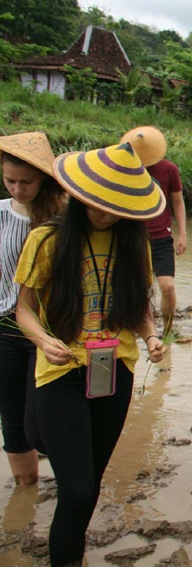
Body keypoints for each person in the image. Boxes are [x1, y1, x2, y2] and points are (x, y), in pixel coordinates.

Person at [15, 142, 167, 566]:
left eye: (118, 208)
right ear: (80, 196)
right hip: (61, 367)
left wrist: (152, 336)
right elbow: (23, 309)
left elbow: (138, 308)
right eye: (99, 206)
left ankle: (71, 553)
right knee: (78, 489)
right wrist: (44, 341)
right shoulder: (46, 239)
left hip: (113, 369)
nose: (107, 214)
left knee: (86, 487)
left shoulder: (134, 245)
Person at [0, 132, 66, 486]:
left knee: (41, 418)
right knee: (11, 414)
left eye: (26, 182)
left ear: (43, 179)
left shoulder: (65, 220)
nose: (18, 189)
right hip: (7, 325)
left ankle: (70, 478)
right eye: (10, 180)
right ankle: (26, 488)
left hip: (53, 328)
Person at [121, 126, 187, 333]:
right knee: (136, 287)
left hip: (160, 236)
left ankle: (167, 331)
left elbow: (177, 201)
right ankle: (137, 327)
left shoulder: (169, 169)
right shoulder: (125, 169)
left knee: (167, 287)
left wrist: (182, 233)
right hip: (133, 237)